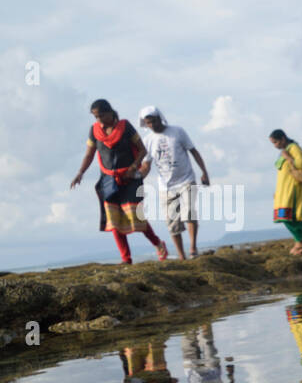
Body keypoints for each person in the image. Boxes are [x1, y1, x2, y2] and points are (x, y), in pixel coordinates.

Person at [70, 100, 169, 264]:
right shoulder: (94, 131)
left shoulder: (125, 126)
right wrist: (80, 172)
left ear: (110, 112)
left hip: (129, 178)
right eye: (96, 117)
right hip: (108, 180)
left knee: (136, 216)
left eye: (101, 115)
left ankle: (158, 244)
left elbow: (142, 149)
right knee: (113, 219)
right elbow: (89, 154)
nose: (99, 120)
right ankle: (126, 258)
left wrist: (133, 167)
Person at [138, 106, 211, 260]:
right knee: (173, 223)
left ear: (160, 118)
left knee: (189, 213)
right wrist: (137, 178)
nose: (152, 125)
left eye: (154, 121)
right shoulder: (148, 140)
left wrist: (204, 172)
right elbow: (146, 165)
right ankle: (181, 255)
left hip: (186, 179)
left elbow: (194, 151)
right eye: (148, 123)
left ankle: (192, 248)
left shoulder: (177, 131)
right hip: (166, 185)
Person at [269, 129, 302, 254]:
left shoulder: (294, 148)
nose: (275, 146)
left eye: (276, 142)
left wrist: (288, 158)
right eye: (273, 143)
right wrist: (277, 191)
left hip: (293, 190)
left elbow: (300, 163)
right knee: (286, 217)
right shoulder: (285, 151)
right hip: (283, 191)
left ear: (283, 139)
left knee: (290, 217)